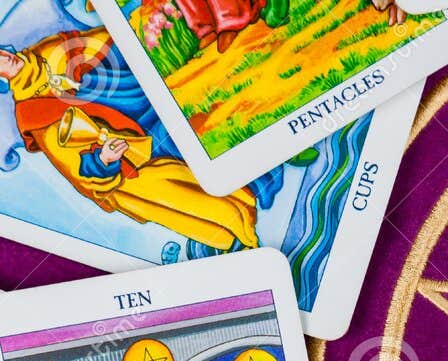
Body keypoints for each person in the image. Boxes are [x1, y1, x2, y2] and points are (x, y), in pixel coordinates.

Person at [0, 31, 265, 252]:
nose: (3, 56)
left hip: (138, 97)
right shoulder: (32, 113)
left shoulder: (46, 50)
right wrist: (104, 160)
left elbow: (111, 43)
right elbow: (76, 168)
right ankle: (237, 235)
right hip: (126, 155)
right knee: (158, 184)